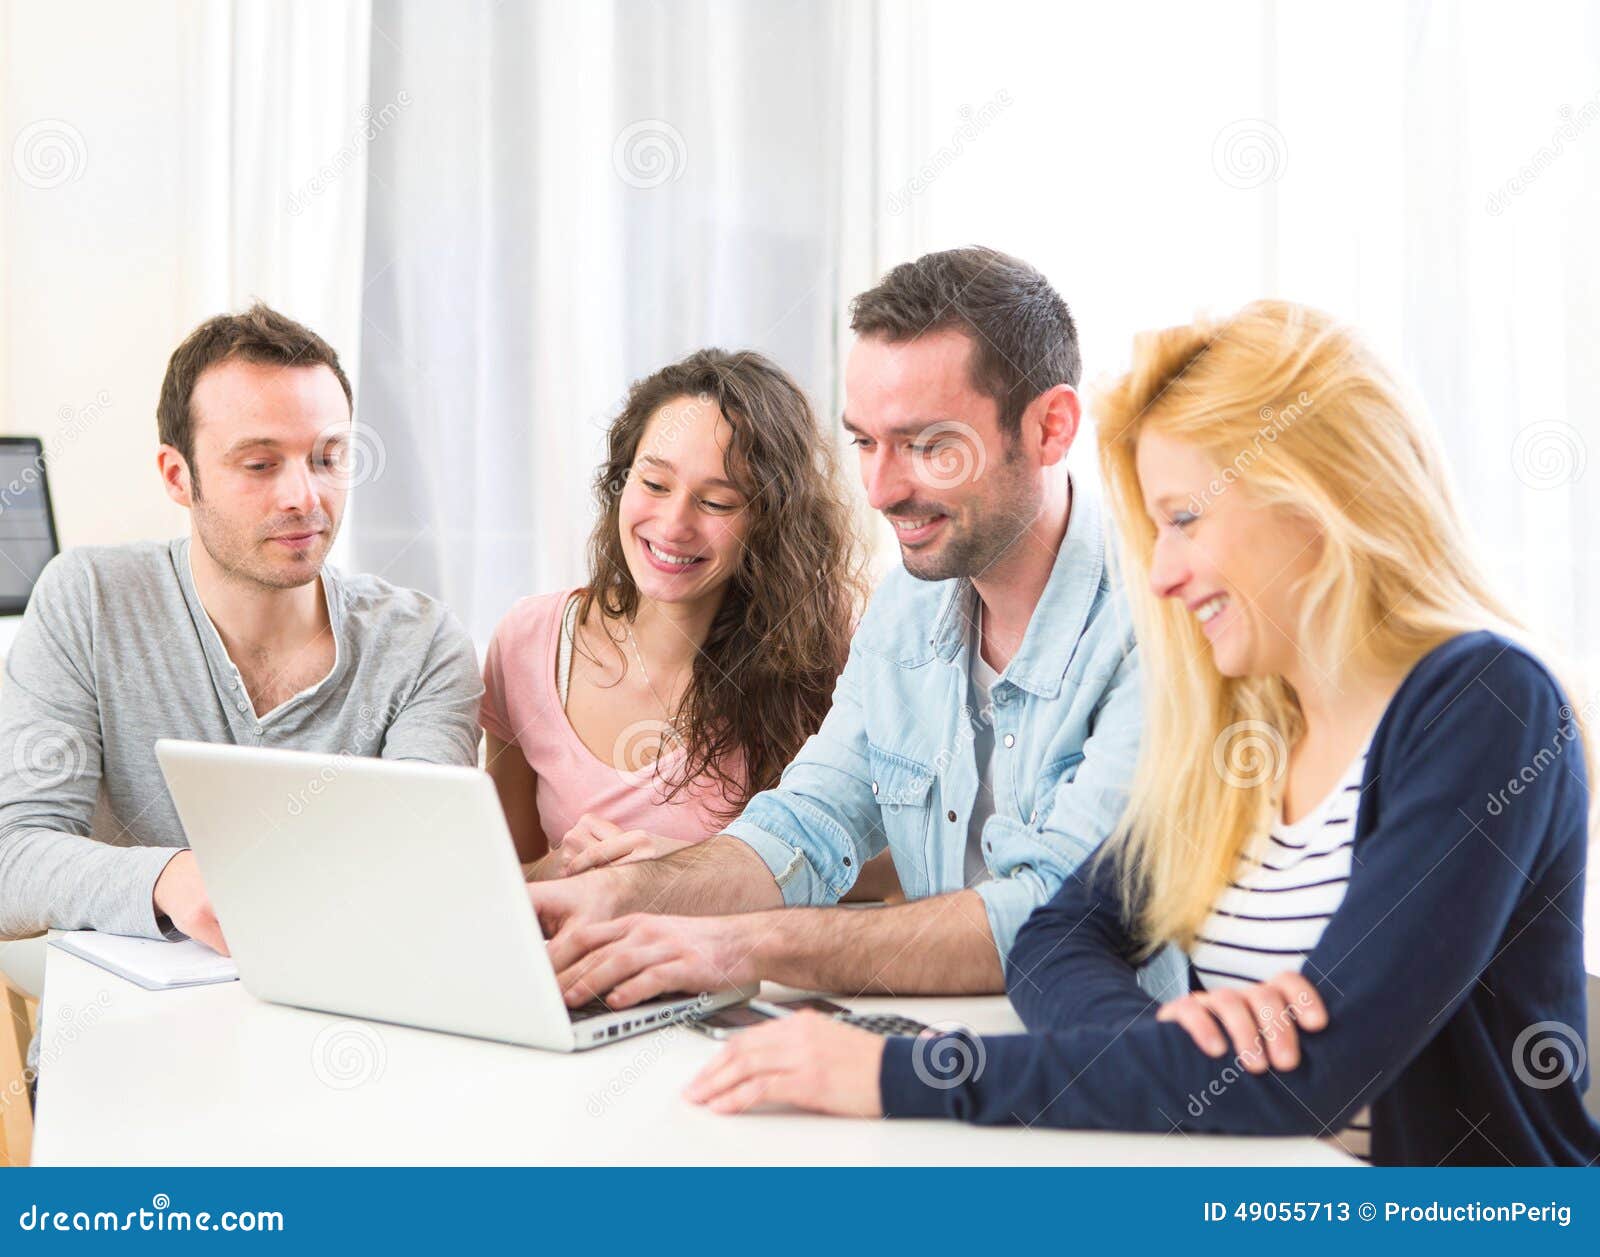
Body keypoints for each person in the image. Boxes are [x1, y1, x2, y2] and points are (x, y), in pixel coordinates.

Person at [682, 300, 1600, 1168]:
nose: (1160, 573)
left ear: (1316, 501)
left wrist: (893, 1074)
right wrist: (1165, 1049)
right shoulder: (1250, 728)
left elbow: (1310, 1075)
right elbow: (1057, 935)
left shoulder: (1487, 706)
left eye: (1186, 519)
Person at [528, 246, 1185, 1008]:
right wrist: (627, 894)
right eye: (866, 443)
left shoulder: (1159, 622)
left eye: (929, 446)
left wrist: (746, 942)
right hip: (937, 1055)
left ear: (1050, 428)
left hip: (1111, 1082)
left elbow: (1051, 916)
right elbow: (808, 821)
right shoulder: (911, 603)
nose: (881, 490)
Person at [0, 303, 483, 958]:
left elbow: (416, 870)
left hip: (350, 1022)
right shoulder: (88, 600)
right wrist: (169, 878)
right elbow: (14, 861)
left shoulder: (423, 645)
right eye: (259, 464)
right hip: (135, 1034)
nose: (303, 497)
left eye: (328, 457)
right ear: (178, 476)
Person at [480, 349, 865, 880]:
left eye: (717, 503)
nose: (673, 524)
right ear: (620, 482)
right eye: (655, 485)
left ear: (769, 522)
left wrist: (697, 869)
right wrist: (565, 867)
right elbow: (500, 877)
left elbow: (895, 866)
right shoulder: (528, 643)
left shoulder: (828, 650)